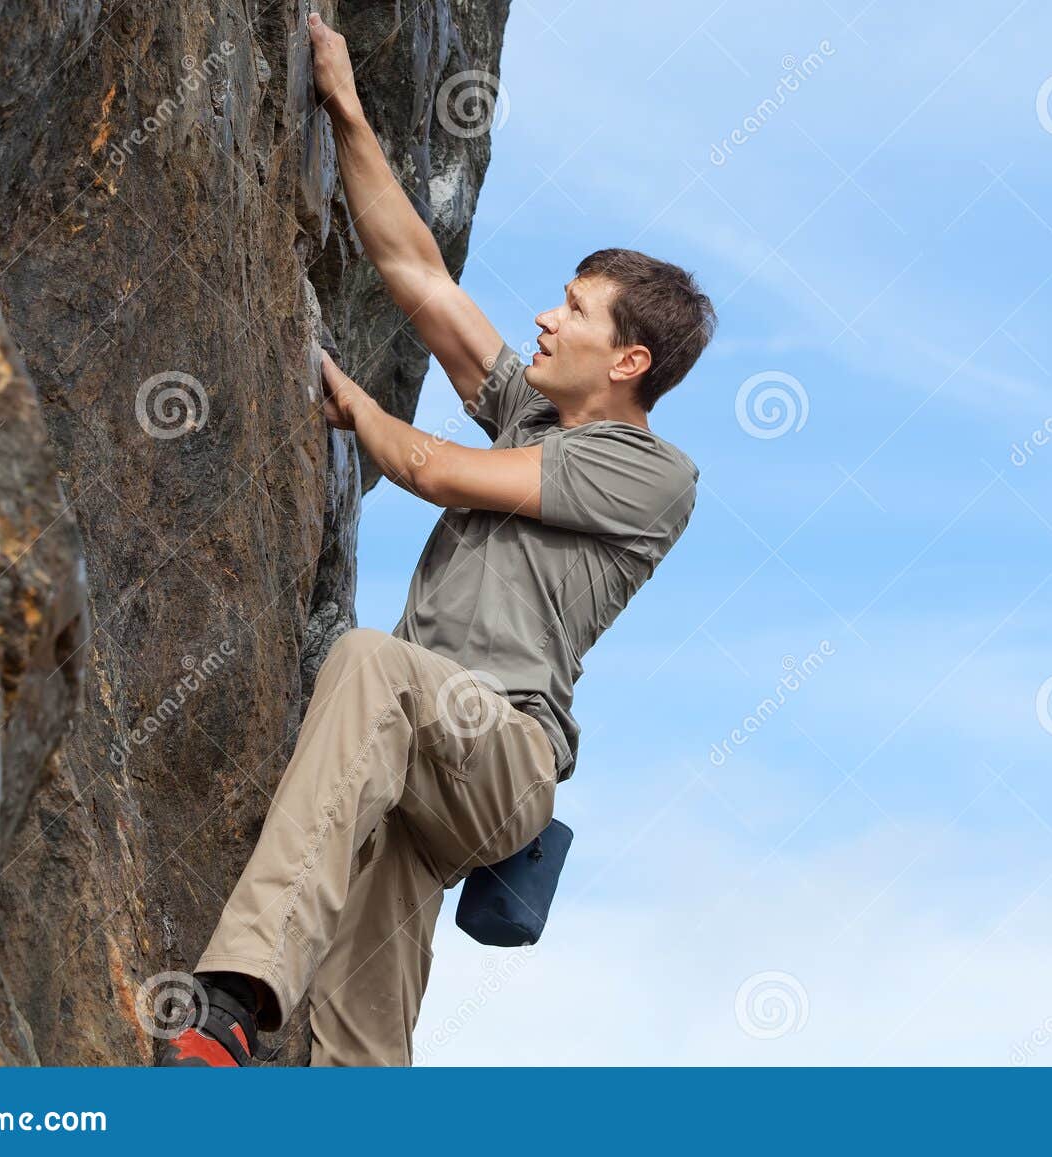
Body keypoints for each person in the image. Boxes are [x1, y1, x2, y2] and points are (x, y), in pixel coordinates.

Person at [156, 11, 716, 1067]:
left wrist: (350, 403)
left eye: (574, 310)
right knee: (363, 1018)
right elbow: (416, 274)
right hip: (417, 753)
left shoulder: (652, 473)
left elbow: (434, 471)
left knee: (368, 662)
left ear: (628, 361)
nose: (546, 320)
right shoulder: (534, 413)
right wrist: (348, 109)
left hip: (497, 746)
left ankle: (229, 1001)